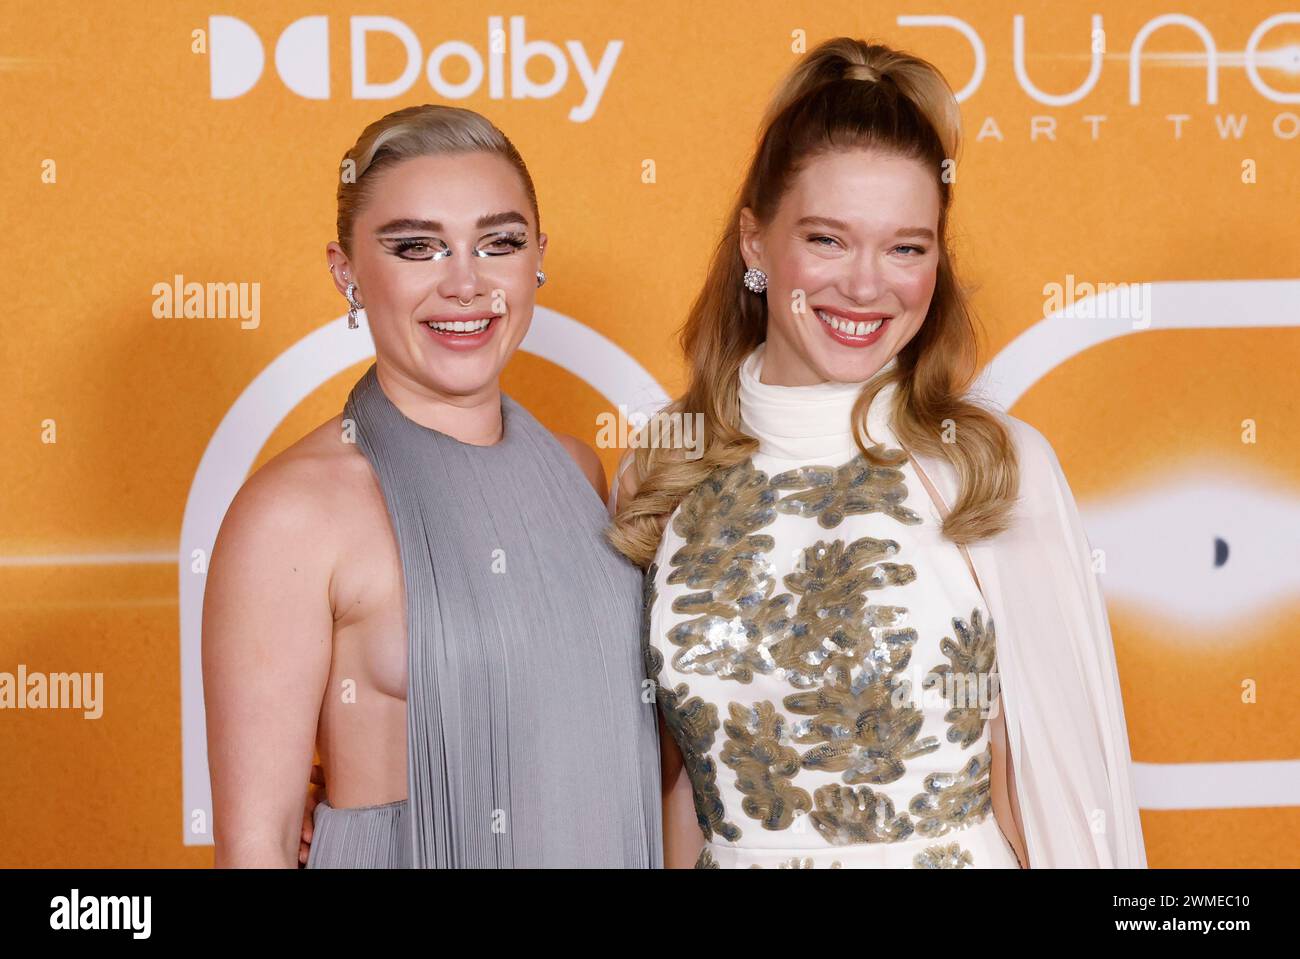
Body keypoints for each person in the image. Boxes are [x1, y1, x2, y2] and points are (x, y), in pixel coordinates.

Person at [608, 38, 1146, 869]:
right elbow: (673, 789)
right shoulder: (668, 467)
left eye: (906, 247)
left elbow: (1060, 801)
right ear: (755, 242)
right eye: (827, 240)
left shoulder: (989, 469)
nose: (866, 286)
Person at [203, 104, 662, 868]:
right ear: (345, 271)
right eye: (418, 247)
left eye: (499, 242)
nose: (465, 283)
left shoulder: (582, 473)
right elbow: (259, 842)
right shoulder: (293, 514)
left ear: (537, 257)